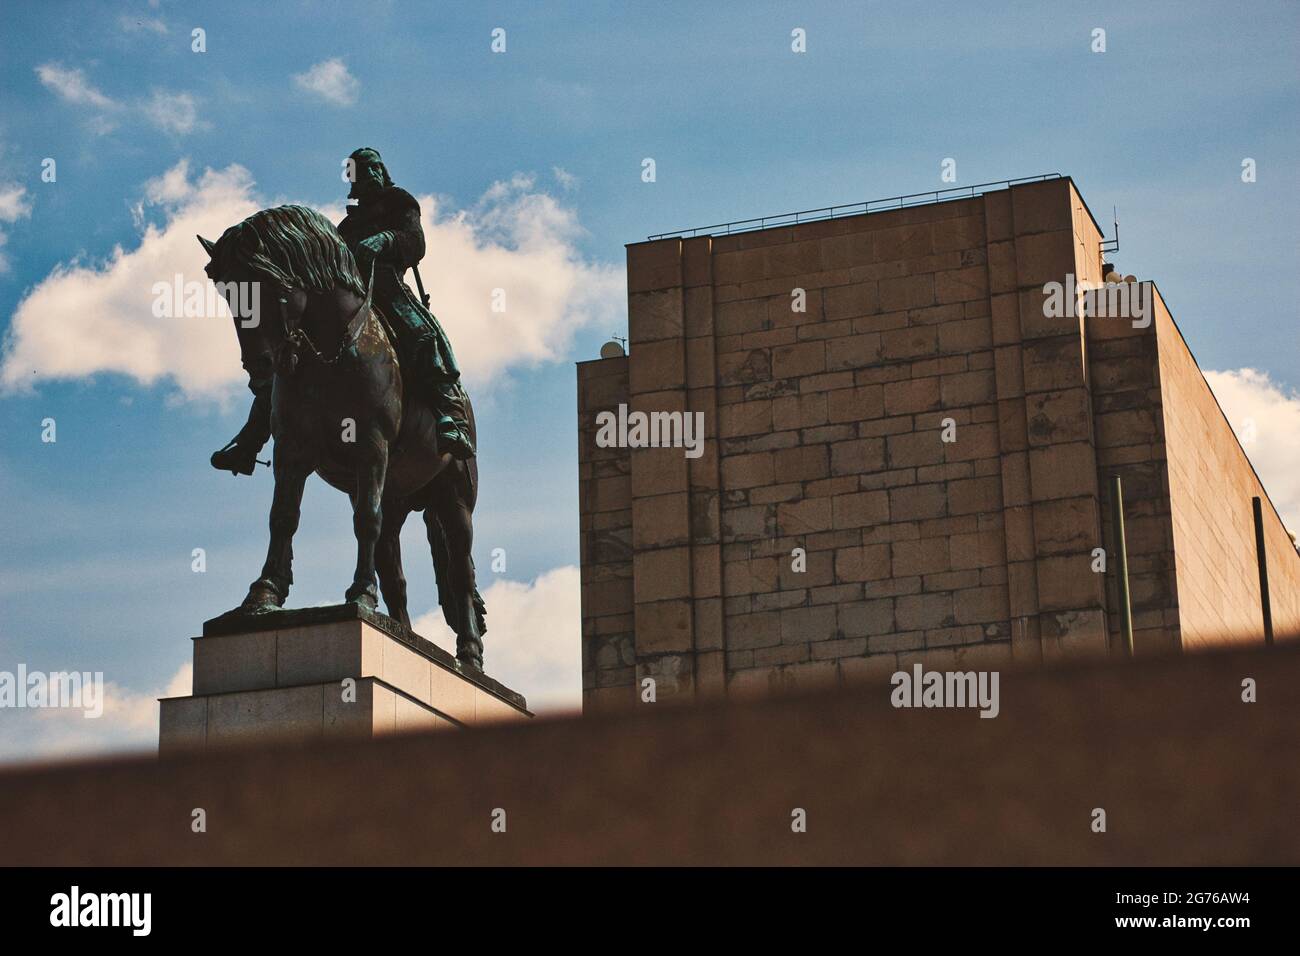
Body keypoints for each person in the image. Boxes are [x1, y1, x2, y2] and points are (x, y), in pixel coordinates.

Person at [211, 147, 475, 474]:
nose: (370, 174)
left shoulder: (400, 203)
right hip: (346, 296)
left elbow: (415, 241)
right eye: (361, 170)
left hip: (388, 287)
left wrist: (387, 240)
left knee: (422, 332)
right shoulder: (345, 226)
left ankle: (451, 416)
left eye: (374, 167)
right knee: (289, 351)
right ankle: (251, 440)